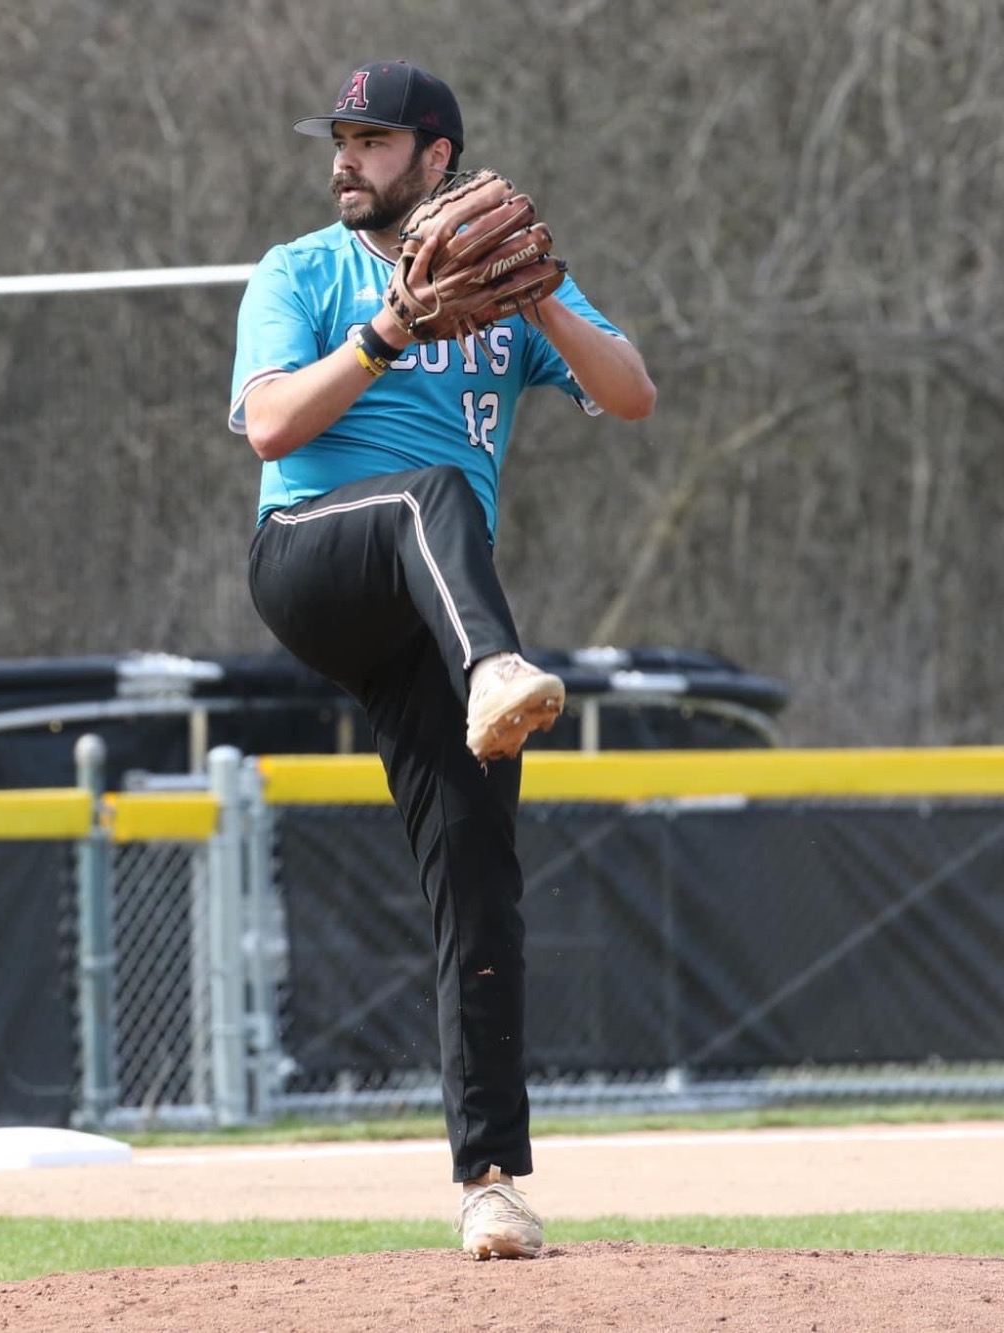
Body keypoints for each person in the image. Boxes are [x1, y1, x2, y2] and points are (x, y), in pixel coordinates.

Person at [228, 58, 656, 1260]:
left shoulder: (500, 292)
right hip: (312, 557)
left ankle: (489, 1182)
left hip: (437, 612)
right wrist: (390, 329)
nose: (343, 159)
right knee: (428, 494)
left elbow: (630, 395)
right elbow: (269, 425)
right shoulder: (301, 272)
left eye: (370, 140)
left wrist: (546, 299)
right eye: (340, 139)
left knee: (478, 880)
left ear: (436, 159)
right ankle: (490, 669)